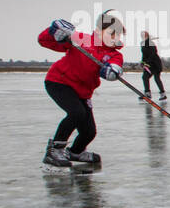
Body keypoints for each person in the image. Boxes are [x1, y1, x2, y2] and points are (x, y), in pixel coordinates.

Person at [39, 10, 125, 169]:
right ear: (99, 31)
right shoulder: (80, 39)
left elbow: (116, 66)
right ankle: (54, 150)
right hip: (59, 82)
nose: (116, 38)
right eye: (112, 33)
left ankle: (76, 152)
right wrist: (55, 31)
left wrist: (112, 71)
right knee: (76, 113)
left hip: (82, 92)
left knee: (89, 132)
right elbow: (44, 41)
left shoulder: (115, 54)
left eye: (118, 35)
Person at [140, 30, 166, 100]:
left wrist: (147, 62)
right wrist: (142, 62)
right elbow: (144, 54)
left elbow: (153, 53)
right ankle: (147, 93)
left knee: (157, 78)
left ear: (147, 35)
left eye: (144, 35)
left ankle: (163, 94)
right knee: (145, 77)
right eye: (141, 35)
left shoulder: (151, 43)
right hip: (148, 65)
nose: (142, 36)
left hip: (155, 64)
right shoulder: (142, 43)